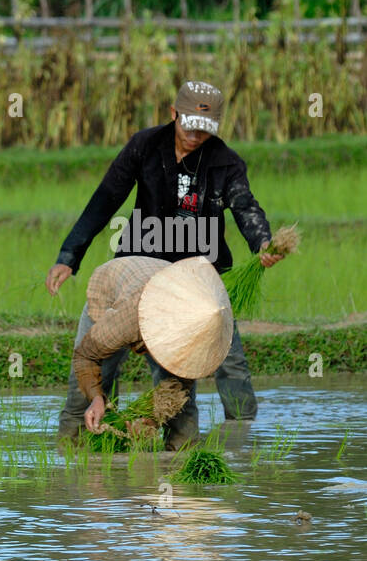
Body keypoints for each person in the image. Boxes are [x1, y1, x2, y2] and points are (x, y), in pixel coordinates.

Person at [46, 81, 289, 448]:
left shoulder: (225, 162)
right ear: (173, 113)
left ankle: (237, 442)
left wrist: (263, 243)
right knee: (99, 363)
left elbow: (245, 206)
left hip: (198, 285)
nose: (194, 135)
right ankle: (75, 447)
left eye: (204, 130)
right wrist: (69, 256)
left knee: (222, 364)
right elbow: (106, 198)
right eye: (188, 125)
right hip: (139, 270)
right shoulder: (144, 146)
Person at [71, 256, 233, 445]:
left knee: (182, 406)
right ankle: (71, 453)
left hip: (169, 285)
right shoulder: (128, 318)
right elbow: (85, 356)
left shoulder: (208, 321)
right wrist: (96, 398)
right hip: (113, 289)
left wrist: (153, 417)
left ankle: (180, 457)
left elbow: (182, 382)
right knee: (84, 397)